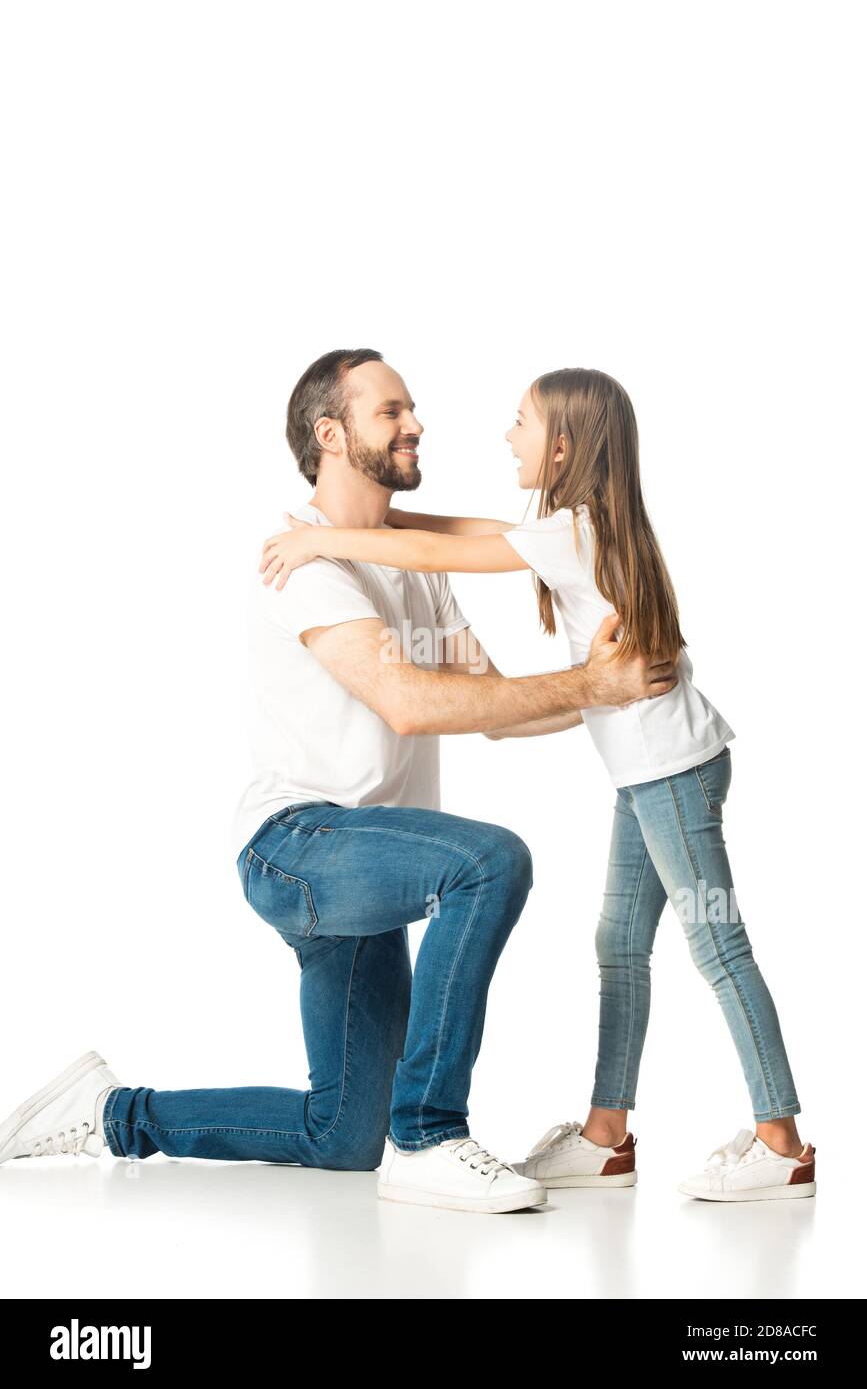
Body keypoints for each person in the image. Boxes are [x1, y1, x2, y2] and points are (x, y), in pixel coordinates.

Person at [0, 350, 678, 1215]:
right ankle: (429, 1134)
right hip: (300, 848)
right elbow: (405, 700)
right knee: (489, 860)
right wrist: (591, 686)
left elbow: (494, 708)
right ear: (332, 433)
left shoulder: (412, 560)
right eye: (391, 411)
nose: (416, 424)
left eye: (413, 409)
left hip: (375, 862)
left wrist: (609, 681)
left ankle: (108, 1113)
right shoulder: (303, 563)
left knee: (344, 1136)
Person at [261, 365, 815, 1204]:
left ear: (560, 444)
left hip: (674, 774)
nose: (504, 436)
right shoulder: (580, 524)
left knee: (716, 942)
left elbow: (438, 548)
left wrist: (320, 539)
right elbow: (446, 529)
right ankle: (605, 1136)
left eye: (519, 424)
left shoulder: (569, 533)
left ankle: (782, 1143)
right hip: (648, 774)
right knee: (618, 947)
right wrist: (363, 525)